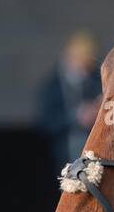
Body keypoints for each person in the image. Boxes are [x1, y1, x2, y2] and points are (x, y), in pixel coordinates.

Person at [36, 30, 103, 173]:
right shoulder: (54, 86)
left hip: (95, 153)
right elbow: (46, 122)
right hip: (64, 153)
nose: (82, 68)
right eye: (78, 60)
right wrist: (76, 117)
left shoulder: (96, 81)